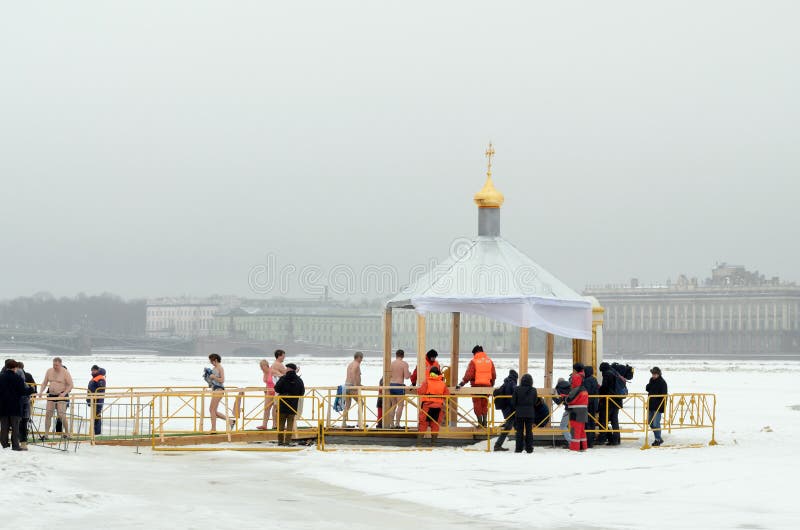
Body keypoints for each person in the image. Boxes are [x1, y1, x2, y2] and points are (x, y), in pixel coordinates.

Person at [456, 345, 496, 427]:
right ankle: (485, 423)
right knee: (484, 404)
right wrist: (491, 384)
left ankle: (480, 423)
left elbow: (469, 375)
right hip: (487, 387)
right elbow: (493, 375)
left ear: (475, 353)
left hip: (476, 386)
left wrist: (461, 383)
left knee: (477, 404)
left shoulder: (474, 361)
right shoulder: (489, 361)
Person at [39, 357, 74, 439]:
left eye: (57, 365)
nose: (55, 366)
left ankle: (67, 433)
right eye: (54, 364)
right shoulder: (49, 371)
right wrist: (41, 391)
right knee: (48, 414)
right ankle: (46, 434)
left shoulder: (65, 372)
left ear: (60, 364)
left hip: (61, 395)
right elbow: (44, 383)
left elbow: (71, 385)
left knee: (61, 415)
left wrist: (64, 393)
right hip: (51, 395)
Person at [274, 363, 305, 446]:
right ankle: (287, 442)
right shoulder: (299, 380)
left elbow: (276, 388)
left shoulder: (283, 378)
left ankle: (280, 442)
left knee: (280, 424)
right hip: (293, 405)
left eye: (286, 368)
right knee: (290, 425)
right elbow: (302, 392)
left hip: (282, 404)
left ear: (288, 369)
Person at [417, 366, 449, 445]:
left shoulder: (427, 382)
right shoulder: (442, 383)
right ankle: (433, 444)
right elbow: (447, 394)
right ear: (438, 374)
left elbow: (420, 392)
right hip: (438, 407)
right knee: (435, 425)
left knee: (423, 424)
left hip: (427, 406)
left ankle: (419, 444)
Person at [1, 359, 28, 451]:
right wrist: (31, 390)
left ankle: (4, 444)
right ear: (15, 368)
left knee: (4, 427)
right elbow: (23, 391)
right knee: (15, 427)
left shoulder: (1, 377)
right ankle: (15, 445)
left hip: (3, 406)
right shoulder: (18, 378)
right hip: (15, 406)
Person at [596, 361, 623, 446]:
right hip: (617, 400)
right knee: (614, 421)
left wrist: (599, 391)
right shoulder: (615, 372)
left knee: (603, 420)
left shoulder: (607, 374)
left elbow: (605, 387)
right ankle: (615, 440)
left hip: (609, 401)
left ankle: (602, 439)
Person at [492, 369, 518, 451]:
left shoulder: (505, 382)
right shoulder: (512, 383)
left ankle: (521, 445)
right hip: (509, 409)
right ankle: (497, 445)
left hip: (505, 408)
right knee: (510, 427)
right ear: (515, 377)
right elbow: (513, 396)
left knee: (514, 426)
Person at [511, 373, 537, 454]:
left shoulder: (517, 389)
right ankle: (529, 448)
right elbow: (535, 402)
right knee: (529, 431)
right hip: (530, 413)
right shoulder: (533, 390)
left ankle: (518, 448)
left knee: (519, 431)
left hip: (519, 413)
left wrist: (517, 407)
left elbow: (513, 402)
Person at [566, 363, 589, 451]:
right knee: (582, 431)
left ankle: (574, 448)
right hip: (583, 410)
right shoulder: (584, 388)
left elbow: (570, 400)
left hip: (576, 411)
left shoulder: (577, 388)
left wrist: (565, 398)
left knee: (574, 431)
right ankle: (583, 446)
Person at [387, 349, 411, 429]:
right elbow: (407, 376)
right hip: (399, 385)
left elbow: (390, 375)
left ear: (396, 355)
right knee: (400, 405)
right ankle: (397, 424)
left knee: (393, 405)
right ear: (403, 355)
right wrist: (410, 373)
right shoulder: (404, 364)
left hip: (391, 385)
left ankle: (391, 424)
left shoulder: (392, 363)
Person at [205, 354, 228, 433]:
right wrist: (208, 379)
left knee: (211, 410)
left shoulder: (220, 368)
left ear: (215, 360)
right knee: (213, 410)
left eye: (211, 361)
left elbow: (222, 380)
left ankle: (213, 429)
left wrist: (214, 377)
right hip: (214, 389)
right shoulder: (213, 368)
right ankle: (231, 421)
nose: (211, 362)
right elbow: (212, 381)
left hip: (219, 390)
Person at [646, 366, 668, 446]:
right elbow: (648, 389)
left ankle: (657, 439)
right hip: (650, 405)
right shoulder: (651, 380)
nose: (654, 375)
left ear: (659, 374)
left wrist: (662, 408)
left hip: (658, 407)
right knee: (650, 423)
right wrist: (649, 384)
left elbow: (664, 396)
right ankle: (659, 438)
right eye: (653, 374)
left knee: (656, 423)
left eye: (655, 374)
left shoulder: (662, 383)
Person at [15, 361, 36, 448]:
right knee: (23, 423)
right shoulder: (25, 383)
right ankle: (23, 443)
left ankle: (18, 441)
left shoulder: (14, 381)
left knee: (18, 423)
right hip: (25, 406)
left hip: (18, 407)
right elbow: (33, 389)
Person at [341, 351, 363, 428]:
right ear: (358, 357)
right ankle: (359, 423)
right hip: (352, 386)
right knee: (361, 403)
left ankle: (343, 423)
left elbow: (353, 374)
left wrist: (358, 384)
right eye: (361, 358)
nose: (362, 360)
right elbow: (353, 373)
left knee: (347, 405)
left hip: (347, 385)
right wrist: (355, 385)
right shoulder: (356, 364)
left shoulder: (351, 363)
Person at [583, 365, 600, 448]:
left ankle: (589, 441)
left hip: (589, 403)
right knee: (592, 422)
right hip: (594, 403)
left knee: (588, 422)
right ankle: (591, 440)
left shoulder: (587, 381)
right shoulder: (594, 379)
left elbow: (587, 392)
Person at [86, 365, 107, 435]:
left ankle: (97, 432)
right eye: (92, 370)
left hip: (98, 400)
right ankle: (94, 431)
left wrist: (95, 397)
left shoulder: (100, 378)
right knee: (94, 415)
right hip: (93, 399)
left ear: (98, 370)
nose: (93, 371)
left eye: (94, 370)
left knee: (97, 415)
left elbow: (100, 390)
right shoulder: (94, 378)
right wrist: (89, 399)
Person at [553, 377, 573, 447]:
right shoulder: (570, 386)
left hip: (569, 409)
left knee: (563, 426)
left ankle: (571, 442)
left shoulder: (558, 389)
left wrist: (553, 397)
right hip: (577, 408)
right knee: (574, 425)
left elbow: (559, 402)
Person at [257, 359, 276, 430]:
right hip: (268, 392)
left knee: (275, 409)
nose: (261, 368)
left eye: (262, 366)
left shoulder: (272, 371)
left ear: (266, 365)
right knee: (266, 408)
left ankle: (275, 425)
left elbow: (281, 377)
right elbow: (267, 382)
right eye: (260, 366)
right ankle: (264, 425)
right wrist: (265, 389)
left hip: (275, 392)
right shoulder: (264, 373)